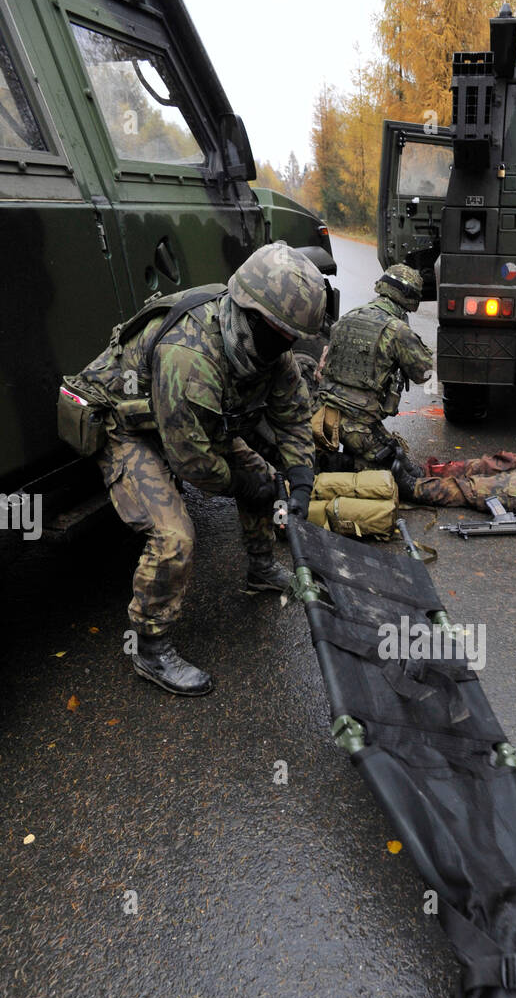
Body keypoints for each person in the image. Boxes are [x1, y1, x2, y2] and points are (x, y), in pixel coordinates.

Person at [63, 243, 326, 696]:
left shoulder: (267, 347)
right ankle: (151, 647)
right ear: (250, 313)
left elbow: (294, 417)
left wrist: (300, 481)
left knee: (263, 478)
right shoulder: (191, 357)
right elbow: (193, 463)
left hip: (185, 418)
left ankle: (261, 568)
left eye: (290, 338)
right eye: (278, 334)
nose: (284, 346)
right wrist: (241, 480)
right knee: (174, 535)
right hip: (125, 423)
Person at [314, 264, 433, 471]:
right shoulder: (397, 330)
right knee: (402, 470)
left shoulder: (348, 317)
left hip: (323, 417)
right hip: (358, 426)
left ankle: (333, 463)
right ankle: (337, 465)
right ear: (409, 298)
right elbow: (424, 373)